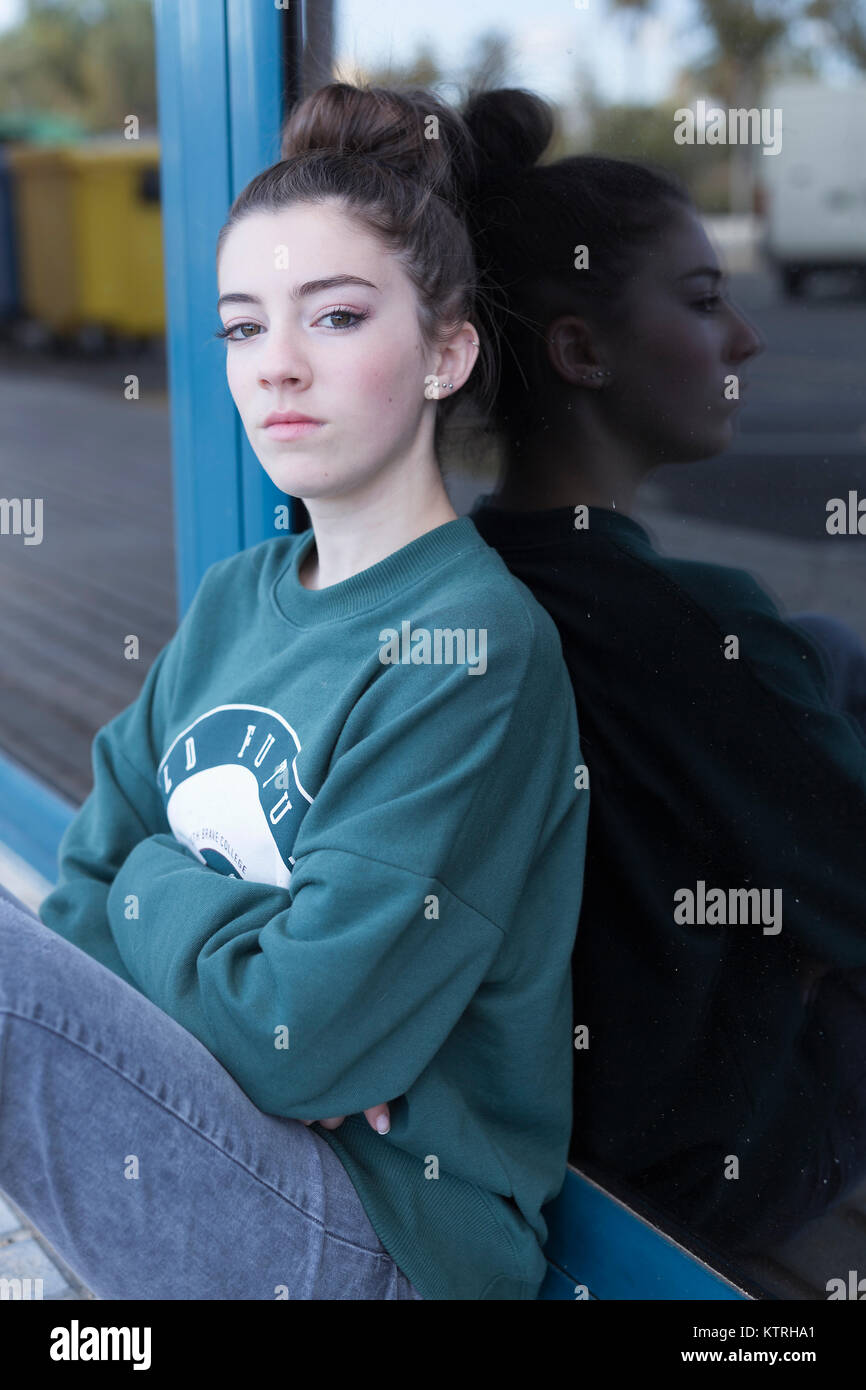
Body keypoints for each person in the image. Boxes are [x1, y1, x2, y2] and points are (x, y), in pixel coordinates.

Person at [0, 82, 588, 1301]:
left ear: (444, 352)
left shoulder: (470, 646)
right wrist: (249, 992)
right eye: (241, 327)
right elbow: (82, 907)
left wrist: (159, 881)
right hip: (228, 1141)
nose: (275, 367)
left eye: (334, 316)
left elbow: (298, 1030)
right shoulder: (237, 597)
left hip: (390, 1233)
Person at [459, 87, 866, 1258]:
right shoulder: (688, 626)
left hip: (539, 1117)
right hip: (681, 1175)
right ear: (579, 350)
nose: (743, 339)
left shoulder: (461, 577)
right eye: (699, 300)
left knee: (825, 651)